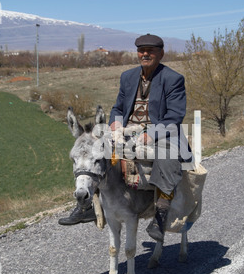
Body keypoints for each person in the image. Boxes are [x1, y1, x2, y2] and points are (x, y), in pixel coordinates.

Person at [59, 34, 192, 243]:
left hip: (162, 133)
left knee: (167, 157)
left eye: (151, 51)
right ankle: (86, 207)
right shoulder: (128, 77)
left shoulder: (173, 79)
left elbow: (174, 116)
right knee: (95, 152)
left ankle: (160, 215)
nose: (145, 54)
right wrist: (116, 124)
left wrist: (151, 134)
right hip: (128, 131)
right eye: (141, 51)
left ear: (161, 53)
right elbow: (118, 108)